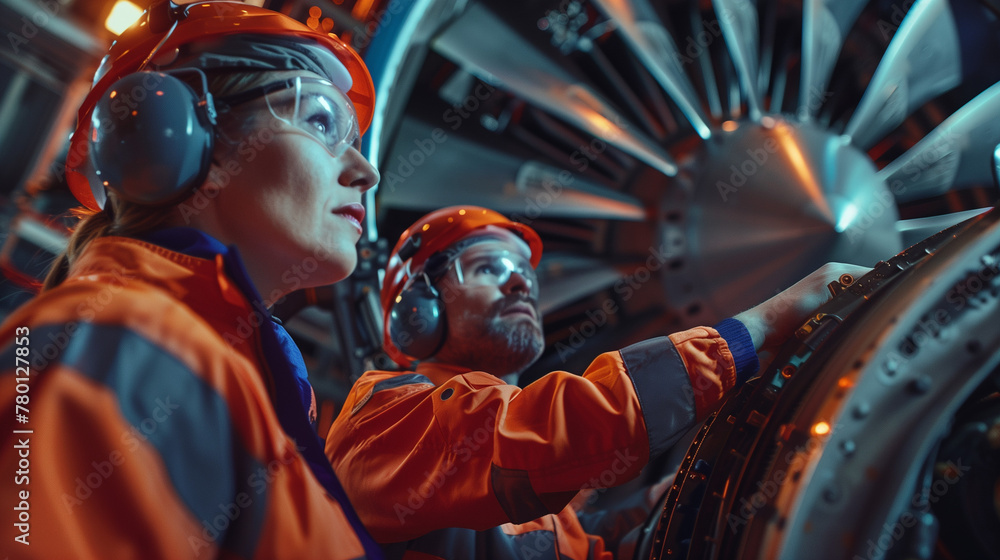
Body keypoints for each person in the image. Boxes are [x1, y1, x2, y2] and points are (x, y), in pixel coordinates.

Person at [0, 1, 382, 558]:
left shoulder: (240, 389)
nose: (365, 171)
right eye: (321, 120)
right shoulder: (119, 333)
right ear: (178, 132)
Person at [325, 205, 870, 559]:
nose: (521, 282)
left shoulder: (531, 492)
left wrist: (686, 490)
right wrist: (758, 329)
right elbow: (537, 429)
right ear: (417, 311)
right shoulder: (382, 417)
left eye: (527, 274)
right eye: (490, 267)